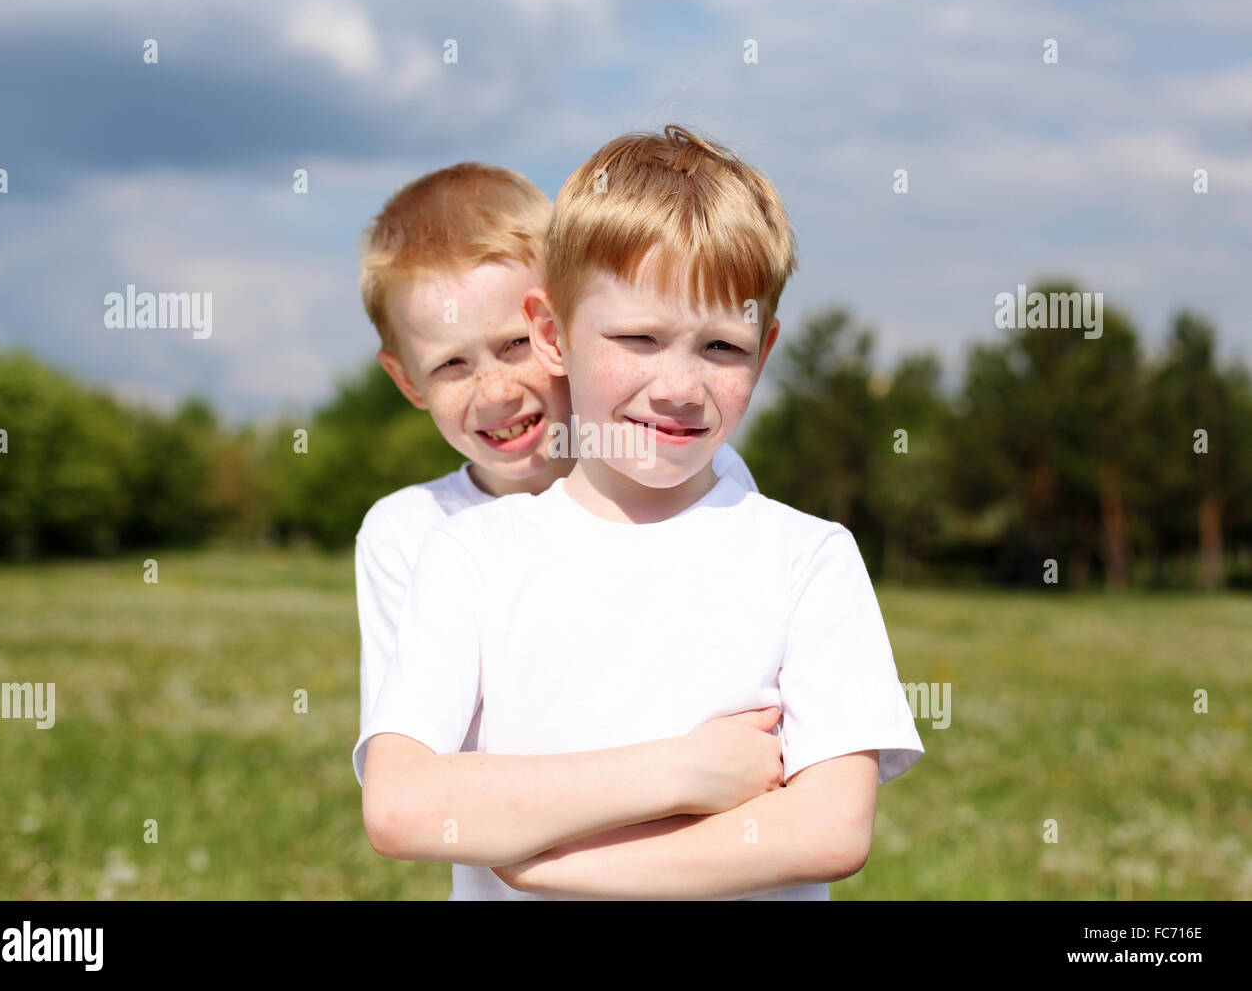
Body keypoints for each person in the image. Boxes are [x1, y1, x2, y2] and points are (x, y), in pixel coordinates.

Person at [358, 125, 924, 900]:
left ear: (765, 350)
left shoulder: (809, 556)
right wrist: (683, 771)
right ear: (554, 334)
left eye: (723, 347)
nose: (681, 389)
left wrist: (566, 869)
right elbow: (402, 805)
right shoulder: (461, 552)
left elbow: (830, 829)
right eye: (638, 337)